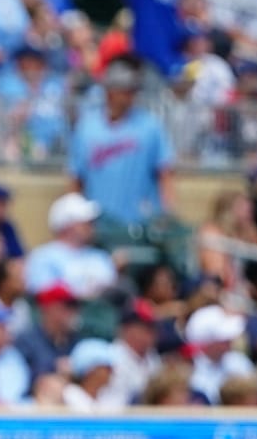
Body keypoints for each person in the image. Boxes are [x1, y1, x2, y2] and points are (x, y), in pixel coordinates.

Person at [69, 55, 174, 225]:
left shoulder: (149, 126)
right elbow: (76, 179)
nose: (131, 96)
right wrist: (75, 217)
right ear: (110, 92)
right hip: (98, 221)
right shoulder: (87, 128)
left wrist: (167, 212)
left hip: (141, 222)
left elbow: (165, 173)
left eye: (133, 91)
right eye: (125, 91)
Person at [24, 193, 118, 300]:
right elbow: (45, 297)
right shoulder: (42, 257)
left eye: (91, 222)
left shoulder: (100, 257)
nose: (91, 226)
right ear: (67, 225)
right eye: (85, 222)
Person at [185, 305, 253, 404]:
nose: (229, 341)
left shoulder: (240, 362)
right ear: (207, 342)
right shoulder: (189, 369)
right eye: (223, 340)